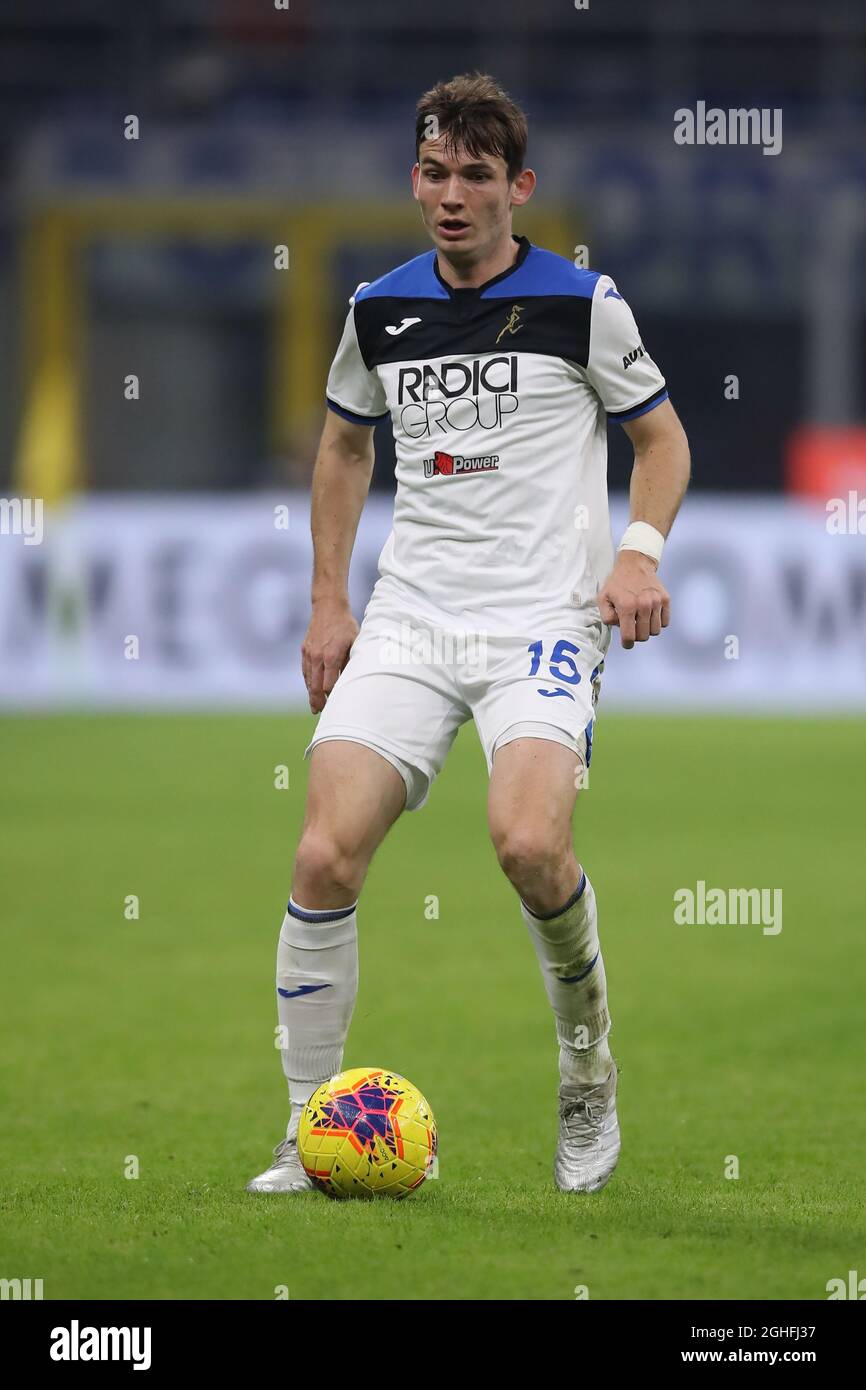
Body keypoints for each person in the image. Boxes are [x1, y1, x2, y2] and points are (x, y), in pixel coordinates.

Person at [247, 71, 691, 1196]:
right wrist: (328, 602)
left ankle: (587, 1074)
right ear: (415, 178)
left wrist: (637, 549)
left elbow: (662, 442)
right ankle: (309, 1128)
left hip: (542, 615)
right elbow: (343, 451)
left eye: (476, 177)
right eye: (434, 173)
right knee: (320, 852)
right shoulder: (375, 310)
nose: (451, 195)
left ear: (517, 186)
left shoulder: (580, 302)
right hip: (411, 617)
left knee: (528, 844)